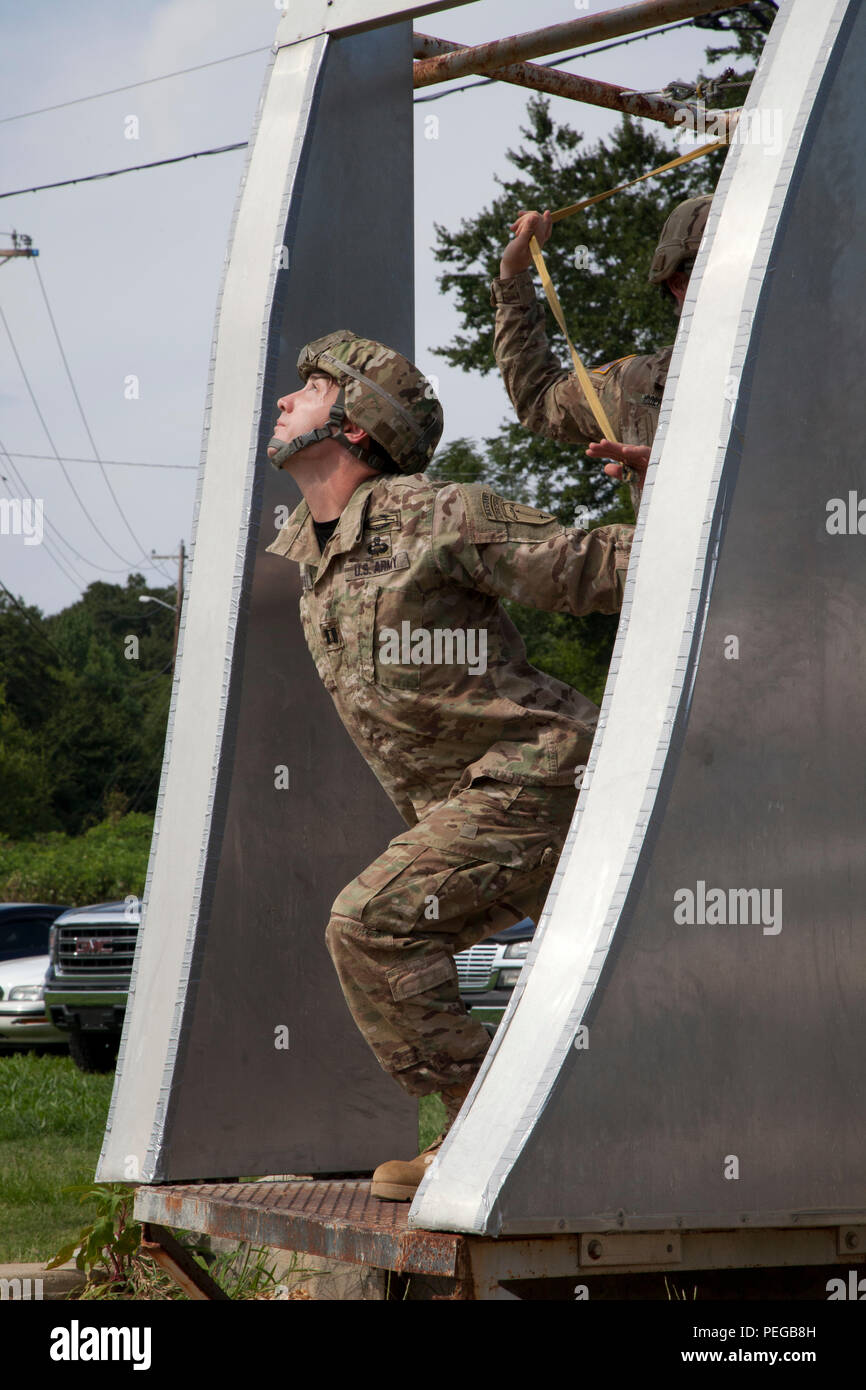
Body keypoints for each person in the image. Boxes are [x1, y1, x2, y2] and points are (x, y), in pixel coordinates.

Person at [265, 330, 648, 1200]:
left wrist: (675, 491)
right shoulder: (314, 556)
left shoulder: (435, 513)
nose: (287, 401)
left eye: (313, 388)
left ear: (358, 424)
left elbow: (590, 569)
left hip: (544, 778)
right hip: (477, 805)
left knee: (371, 924)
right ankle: (544, 1136)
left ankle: (493, 1135)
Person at [491, 193, 712, 505]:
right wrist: (513, 275)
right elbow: (539, 398)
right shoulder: (640, 385)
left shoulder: (798, 368)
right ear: (679, 283)